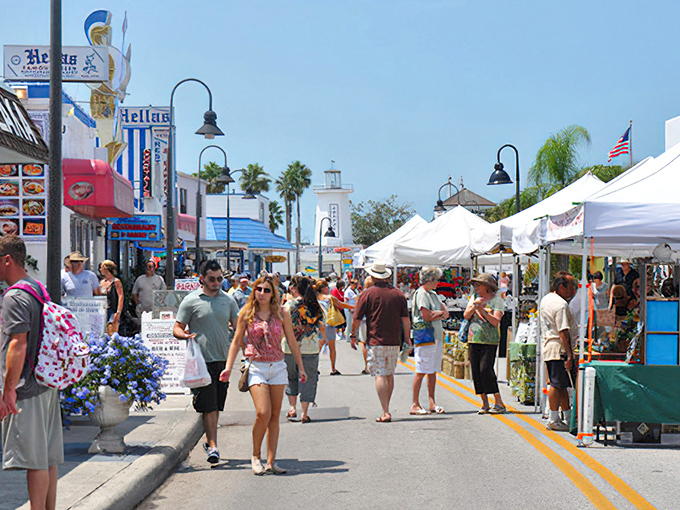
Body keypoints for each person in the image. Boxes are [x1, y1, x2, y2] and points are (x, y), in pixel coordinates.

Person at [220, 275, 307, 475]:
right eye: (258, 289)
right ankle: (255, 455)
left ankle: (271, 461)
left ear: (273, 293)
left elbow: (292, 342)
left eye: (266, 290)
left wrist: (301, 367)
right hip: (256, 367)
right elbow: (236, 341)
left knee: (275, 416)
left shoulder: (282, 313)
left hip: (277, 366)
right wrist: (228, 367)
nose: (262, 293)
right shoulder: (246, 312)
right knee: (262, 413)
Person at [1, 235, 63, 510]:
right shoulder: (37, 288)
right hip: (47, 381)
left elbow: (18, 342)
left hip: (27, 386)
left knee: (34, 460)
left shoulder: (15, 296)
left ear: (7, 260)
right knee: (47, 459)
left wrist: (8, 390)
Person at [173, 260, 239, 464]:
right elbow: (177, 326)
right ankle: (214, 447)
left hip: (223, 361)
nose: (217, 282)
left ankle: (211, 442)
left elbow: (238, 330)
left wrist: (249, 352)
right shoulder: (191, 301)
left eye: (220, 279)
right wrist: (184, 336)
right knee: (209, 406)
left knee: (216, 405)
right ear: (201, 279)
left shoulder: (228, 301)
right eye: (212, 279)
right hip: (201, 362)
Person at [351, 261, 411, 423]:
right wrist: (407, 338)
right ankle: (387, 406)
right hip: (394, 340)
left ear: (372, 276)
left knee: (379, 374)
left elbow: (356, 318)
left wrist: (353, 335)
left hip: (376, 339)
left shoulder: (368, 294)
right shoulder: (398, 294)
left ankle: (385, 410)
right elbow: (405, 319)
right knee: (389, 373)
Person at [538, 271, 578, 431]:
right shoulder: (560, 304)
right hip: (557, 348)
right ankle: (553, 418)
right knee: (556, 383)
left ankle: (567, 415)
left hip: (550, 346)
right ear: (561, 286)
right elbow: (563, 331)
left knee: (561, 384)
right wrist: (569, 354)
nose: (573, 291)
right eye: (571, 287)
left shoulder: (547, 299)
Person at [463, 273, 507, 415]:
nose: (476, 287)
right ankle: (484, 402)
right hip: (474, 339)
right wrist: (474, 307)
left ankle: (498, 401)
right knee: (476, 371)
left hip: (490, 340)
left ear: (487, 287)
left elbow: (496, 321)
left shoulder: (496, 301)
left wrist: (483, 311)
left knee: (485, 369)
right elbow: (466, 315)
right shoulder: (474, 298)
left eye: (479, 284)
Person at [283, 275, 324, 423]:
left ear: (294, 289)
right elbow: (321, 325)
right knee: (309, 379)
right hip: (310, 348)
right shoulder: (314, 304)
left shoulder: (288, 305)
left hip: (289, 348)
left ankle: (292, 407)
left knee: (291, 377)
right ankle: (304, 412)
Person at [410, 266, 449, 415]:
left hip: (435, 336)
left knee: (432, 370)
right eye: (436, 280)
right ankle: (415, 403)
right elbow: (426, 315)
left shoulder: (433, 294)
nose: (438, 283)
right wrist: (440, 313)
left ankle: (432, 402)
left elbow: (446, 313)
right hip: (426, 336)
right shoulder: (422, 294)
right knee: (421, 370)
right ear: (429, 279)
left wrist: (439, 313)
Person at [316, 279, 352, 375]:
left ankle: (315, 367)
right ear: (323, 288)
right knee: (332, 347)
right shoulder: (329, 298)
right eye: (326, 287)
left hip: (319, 324)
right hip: (329, 323)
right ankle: (333, 368)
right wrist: (354, 306)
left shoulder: (315, 298)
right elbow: (341, 304)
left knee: (318, 347)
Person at [99, 260, 125, 333]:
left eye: (101, 268)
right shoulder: (102, 282)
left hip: (112, 309)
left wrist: (118, 312)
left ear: (106, 268)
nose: (100, 270)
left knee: (111, 329)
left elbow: (121, 296)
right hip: (103, 309)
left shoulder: (116, 281)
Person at [356, 276, 373, 374]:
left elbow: (357, 309)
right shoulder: (376, 293)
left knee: (363, 342)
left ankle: (367, 365)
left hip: (363, 321)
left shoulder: (362, 294)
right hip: (374, 320)